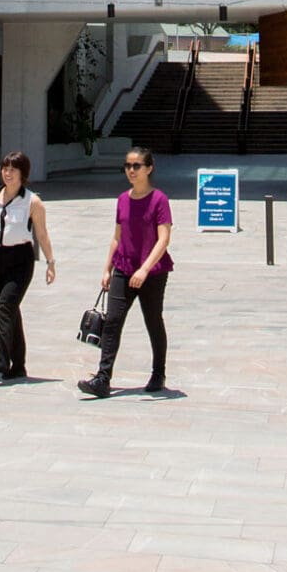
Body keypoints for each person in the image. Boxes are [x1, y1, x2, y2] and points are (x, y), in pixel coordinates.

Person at [79, 146, 173, 398]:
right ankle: (103, 378)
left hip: (152, 271)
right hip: (123, 267)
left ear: (149, 168)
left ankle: (158, 373)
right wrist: (107, 269)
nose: (131, 170)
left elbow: (163, 239)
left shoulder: (159, 200)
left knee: (153, 320)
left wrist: (144, 269)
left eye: (136, 166)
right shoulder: (122, 199)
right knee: (112, 321)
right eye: (127, 166)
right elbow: (117, 237)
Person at [0, 150, 55, 386]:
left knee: (6, 308)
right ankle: (18, 365)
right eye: (5, 169)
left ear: (22, 174)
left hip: (21, 259)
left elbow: (42, 234)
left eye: (13, 170)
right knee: (10, 310)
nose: (7, 174)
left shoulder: (32, 201)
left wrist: (50, 263)